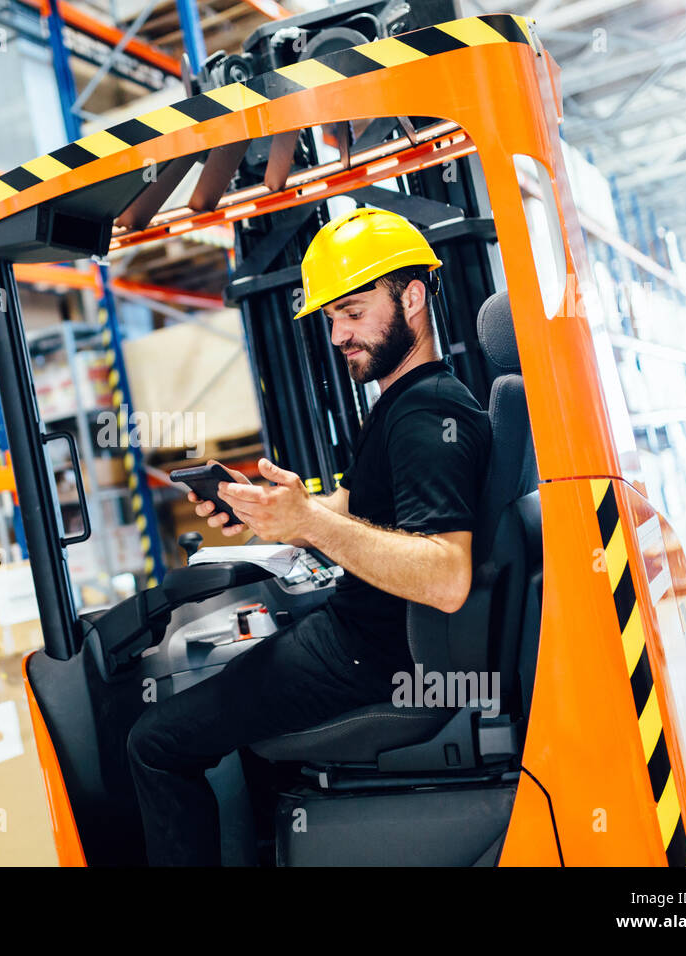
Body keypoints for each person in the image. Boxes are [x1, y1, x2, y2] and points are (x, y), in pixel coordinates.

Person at [125, 208, 493, 866]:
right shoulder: (409, 401)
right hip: (369, 640)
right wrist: (270, 512)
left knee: (154, 741)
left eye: (352, 311)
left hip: (368, 655)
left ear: (411, 297)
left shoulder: (425, 417)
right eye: (329, 319)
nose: (337, 335)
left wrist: (311, 524)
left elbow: (445, 576)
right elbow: (360, 509)